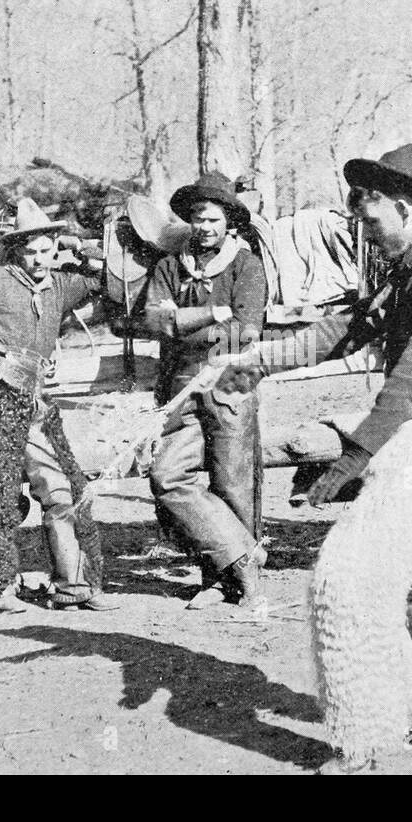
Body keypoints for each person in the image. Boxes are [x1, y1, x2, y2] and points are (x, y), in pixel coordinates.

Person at [216, 143, 412, 760]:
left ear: (402, 207)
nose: (367, 233)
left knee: (352, 577)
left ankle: (369, 738)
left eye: (371, 219)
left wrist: (351, 460)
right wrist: (257, 360)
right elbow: (342, 331)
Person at [0, 198, 116, 612]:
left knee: (64, 488)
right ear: (16, 251)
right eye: (29, 252)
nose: (38, 260)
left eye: (46, 250)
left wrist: (82, 249)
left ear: (54, 249)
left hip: (36, 399)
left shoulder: (63, 285)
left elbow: (109, 281)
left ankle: (75, 587)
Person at [144, 173, 268, 610]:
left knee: (232, 478)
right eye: (197, 219)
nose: (204, 227)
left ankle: (234, 582)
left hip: (232, 379)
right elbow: (153, 321)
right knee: (168, 475)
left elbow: (246, 329)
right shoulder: (169, 266)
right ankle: (238, 557)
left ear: (230, 223)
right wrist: (213, 313)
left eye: (213, 219)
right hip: (180, 382)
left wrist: (182, 320)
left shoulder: (245, 266)